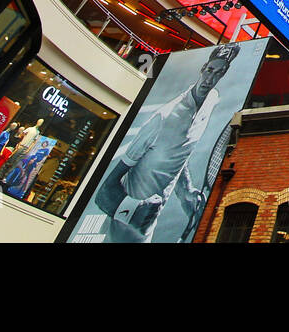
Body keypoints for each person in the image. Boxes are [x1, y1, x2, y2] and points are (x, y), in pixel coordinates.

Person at [92, 44, 240, 242]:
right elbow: (103, 193)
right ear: (202, 68)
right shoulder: (162, 118)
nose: (210, 79)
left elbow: (176, 152)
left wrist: (185, 191)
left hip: (148, 231)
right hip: (122, 234)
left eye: (218, 73)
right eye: (210, 70)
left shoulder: (211, 100)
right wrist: (135, 211)